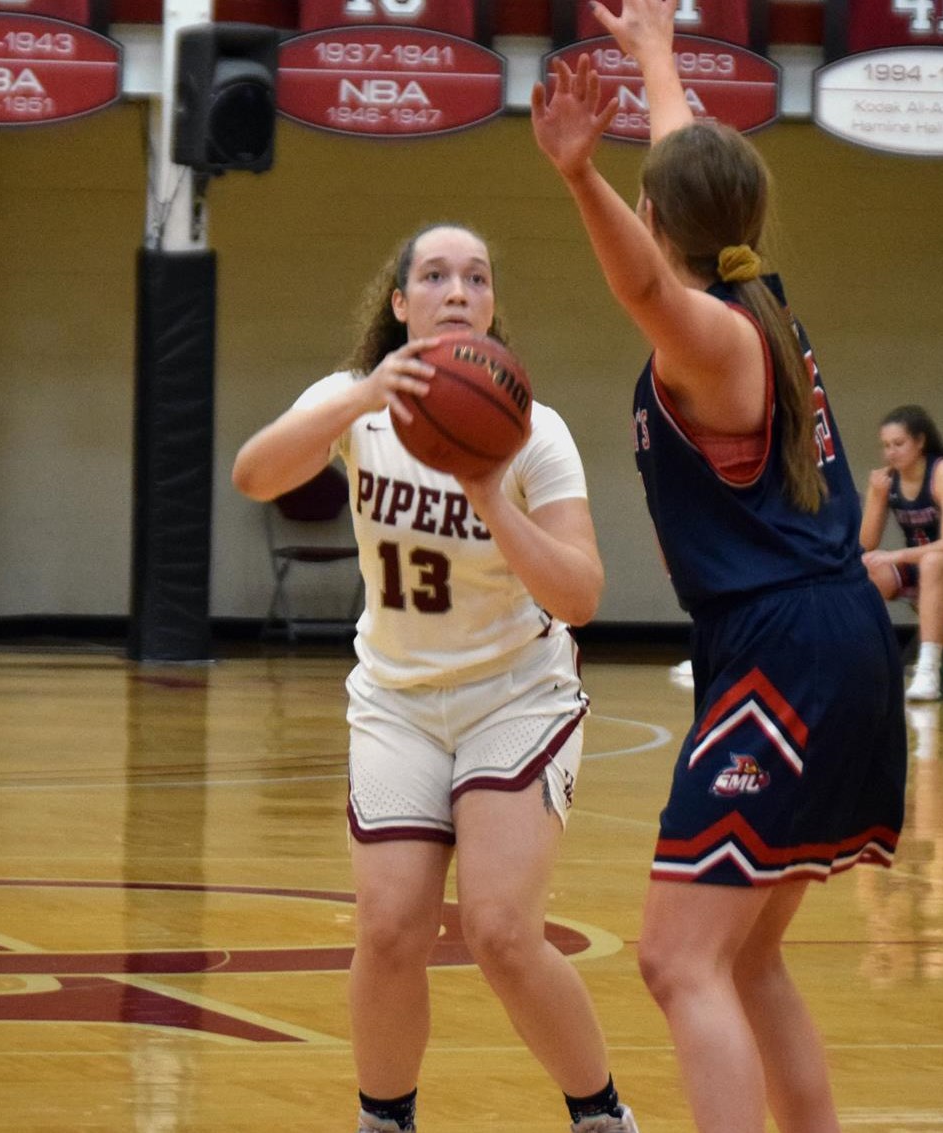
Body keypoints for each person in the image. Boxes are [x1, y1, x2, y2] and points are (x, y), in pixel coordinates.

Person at [532, 3, 907, 1129]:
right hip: (827, 641)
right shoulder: (753, 303)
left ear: (653, 216)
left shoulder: (704, 331)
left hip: (782, 652)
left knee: (675, 957)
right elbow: (691, 175)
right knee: (741, 960)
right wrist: (655, 58)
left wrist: (575, 177)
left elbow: (644, 283)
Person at [229, 223, 638, 1133]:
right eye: (436, 274)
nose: (459, 289)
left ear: (492, 308)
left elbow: (581, 593)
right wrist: (357, 400)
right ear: (401, 303)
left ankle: (601, 1115)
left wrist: (492, 496)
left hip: (515, 695)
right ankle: (386, 1120)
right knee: (387, 929)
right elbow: (254, 474)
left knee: (498, 931)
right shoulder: (351, 402)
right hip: (399, 699)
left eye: (478, 277)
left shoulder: (536, 430)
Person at [859, 405, 943, 701]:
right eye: (885, 446)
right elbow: (866, 544)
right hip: (921, 568)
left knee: (933, 561)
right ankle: (865, 661)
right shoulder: (889, 479)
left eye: (898, 444)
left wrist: (895, 556)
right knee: (861, 567)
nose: (890, 453)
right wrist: (876, 496)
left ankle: (928, 670)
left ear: (920, 442)